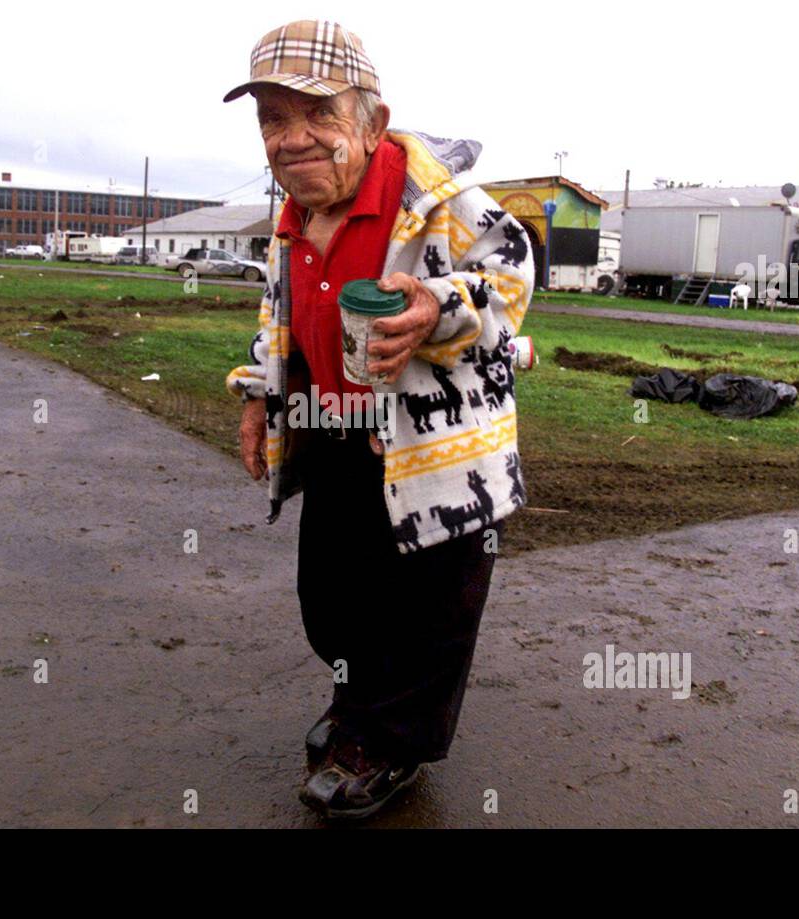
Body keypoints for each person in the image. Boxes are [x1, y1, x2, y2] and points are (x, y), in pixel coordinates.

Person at [224, 19, 534, 820]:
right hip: (336, 434)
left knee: (427, 610)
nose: (292, 138)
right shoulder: (295, 213)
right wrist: (258, 391)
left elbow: (513, 275)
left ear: (372, 123)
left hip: (438, 449)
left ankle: (390, 743)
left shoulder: (437, 201)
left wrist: (438, 304)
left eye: (316, 113)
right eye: (272, 119)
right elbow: (278, 314)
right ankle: (361, 704)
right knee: (333, 597)